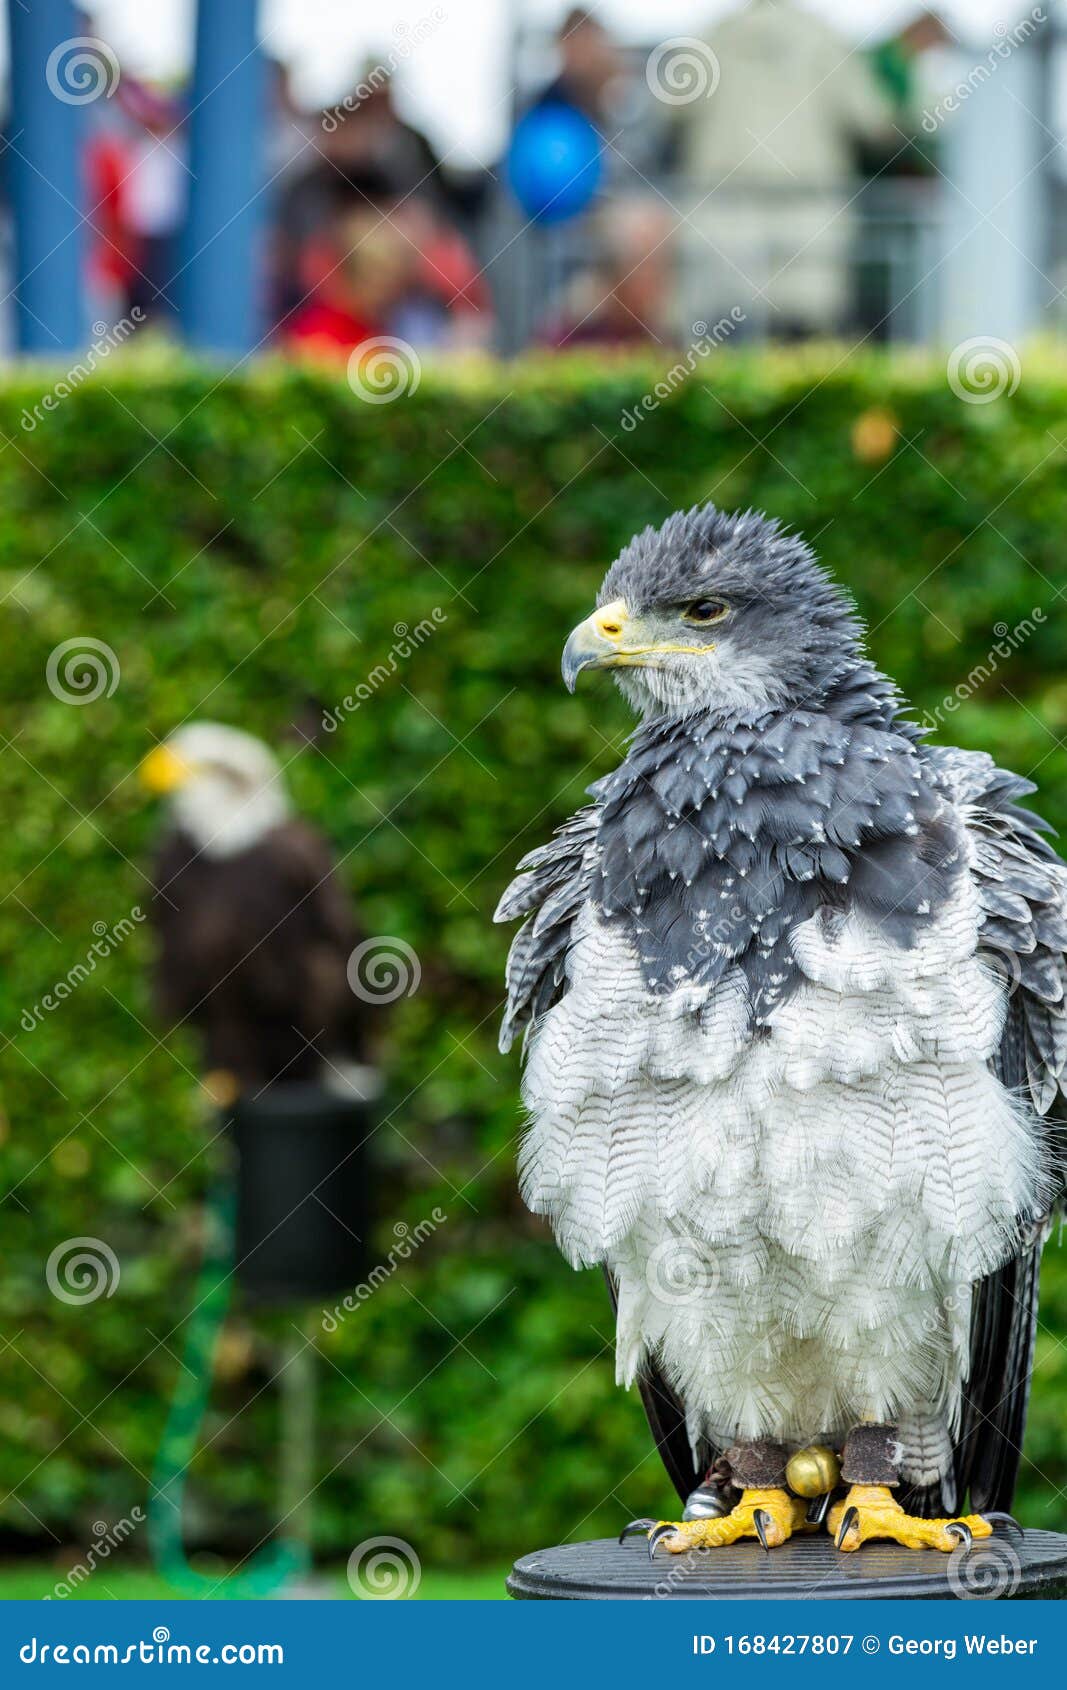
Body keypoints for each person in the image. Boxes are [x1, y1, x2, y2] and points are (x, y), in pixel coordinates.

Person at [673, 0, 895, 337]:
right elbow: (876, 122)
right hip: (805, 211)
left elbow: (669, 110)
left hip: (727, 212)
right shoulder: (826, 38)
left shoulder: (713, 37)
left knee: (722, 340)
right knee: (808, 342)